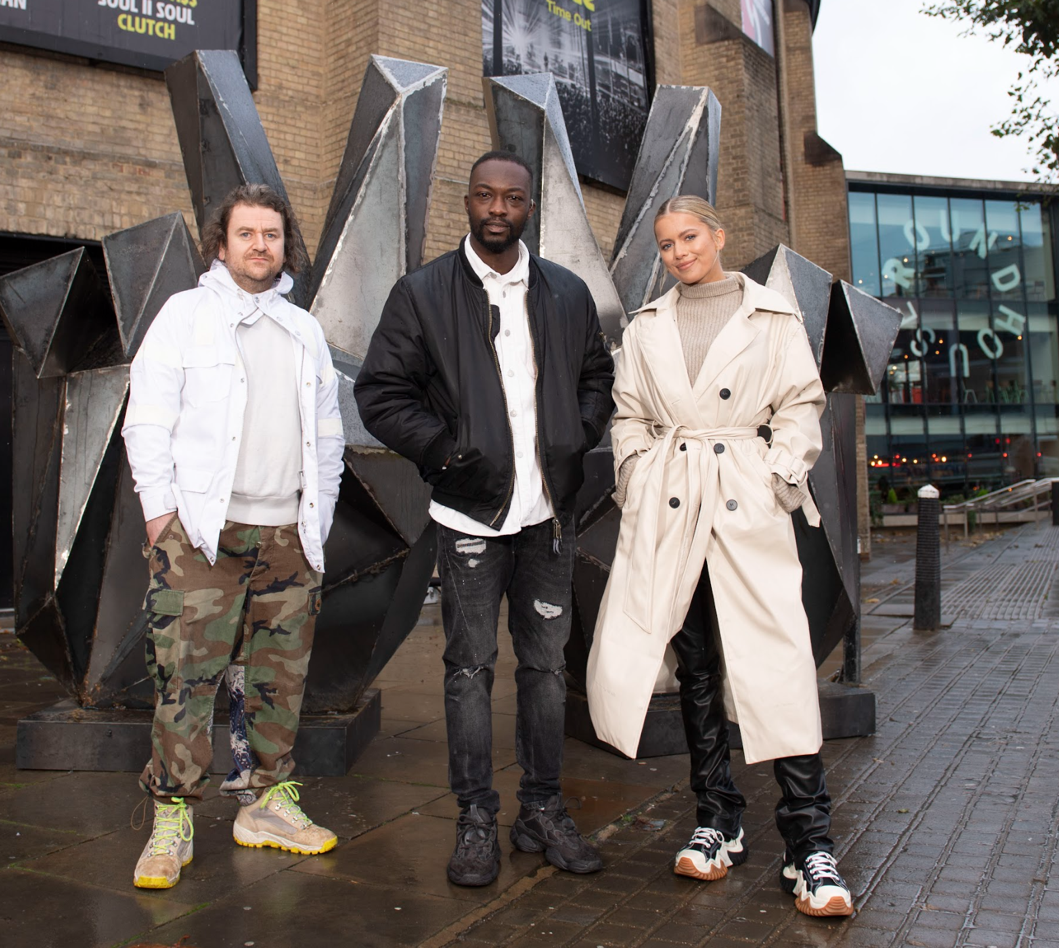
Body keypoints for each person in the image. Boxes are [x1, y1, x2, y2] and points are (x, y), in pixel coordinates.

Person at [586, 196, 854, 918]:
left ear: (719, 237)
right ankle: (718, 818)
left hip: (744, 498)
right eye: (667, 243)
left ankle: (809, 843)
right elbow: (629, 413)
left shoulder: (771, 315)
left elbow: (801, 402)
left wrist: (779, 473)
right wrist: (639, 475)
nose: (679, 253)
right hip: (673, 502)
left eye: (690, 237)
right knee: (696, 665)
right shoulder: (647, 326)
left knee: (778, 663)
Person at [354, 151, 615, 887]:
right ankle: (475, 817)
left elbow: (598, 377)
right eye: (484, 196)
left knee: (545, 670)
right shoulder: (423, 293)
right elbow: (380, 391)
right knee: (469, 670)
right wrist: (445, 452)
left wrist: (573, 436)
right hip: (469, 515)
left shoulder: (565, 293)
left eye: (513, 197)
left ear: (530, 207)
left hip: (548, 519)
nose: (498, 208)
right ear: (466, 202)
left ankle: (541, 808)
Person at [122, 183, 345, 890]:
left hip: (288, 537)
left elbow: (330, 435)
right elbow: (147, 421)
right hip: (203, 538)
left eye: (272, 235)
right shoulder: (185, 317)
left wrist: (319, 523)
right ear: (221, 243)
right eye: (246, 233)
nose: (260, 246)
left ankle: (270, 808)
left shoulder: (303, 330)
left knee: (281, 683)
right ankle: (171, 819)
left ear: (286, 245)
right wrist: (162, 518)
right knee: (185, 681)